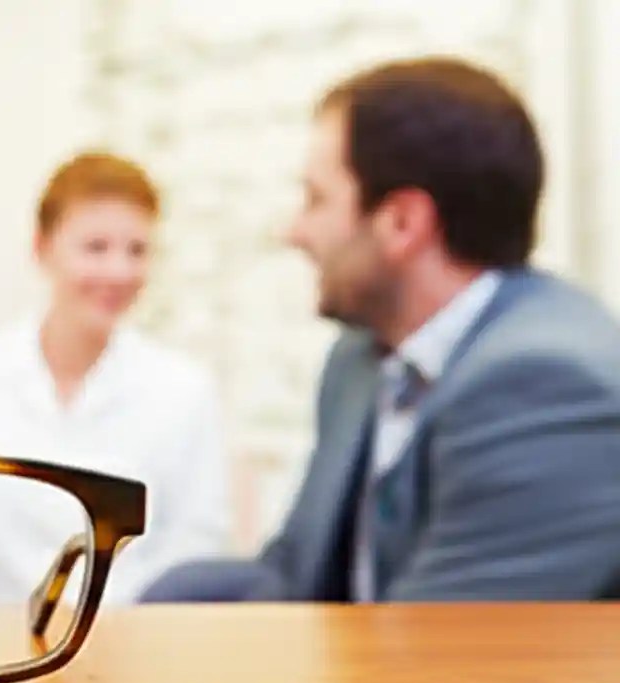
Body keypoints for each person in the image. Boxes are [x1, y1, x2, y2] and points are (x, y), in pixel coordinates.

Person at [143, 57, 620, 603]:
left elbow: (438, 657)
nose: (293, 232)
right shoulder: (361, 358)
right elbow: (297, 573)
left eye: (316, 200)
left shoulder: (547, 389)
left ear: (402, 223)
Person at [0, 152, 231, 608]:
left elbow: (196, 552)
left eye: (137, 251)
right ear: (41, 248)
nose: (119, 271)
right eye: (95, 248)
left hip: (125, 655)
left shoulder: (184, 392)